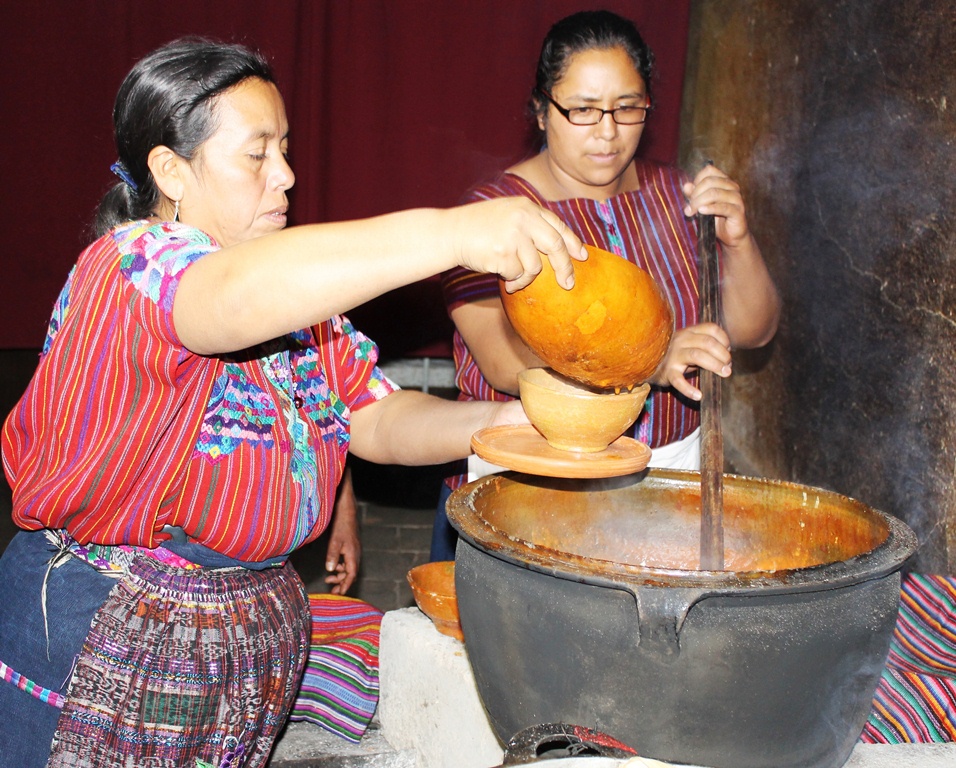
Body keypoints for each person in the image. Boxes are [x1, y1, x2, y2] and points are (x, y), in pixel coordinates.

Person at [0, 38, 585, 768]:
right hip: (112, 638)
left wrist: (508, 422)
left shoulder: (300, 310)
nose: (286, 174)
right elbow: (230, 298)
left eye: (285, 149)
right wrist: (453, 232)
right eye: (256, 154)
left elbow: (375, 418)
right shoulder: (133, 266)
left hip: (239, 645)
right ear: (171, 170)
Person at [430, 10, 780, 560]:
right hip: (536, 485)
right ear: (542, 110)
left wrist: (736, 239)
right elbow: (504, 360)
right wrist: (648, 363)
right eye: (583, 110)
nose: (608, 131)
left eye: (627, 107)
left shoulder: (679, 195)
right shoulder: (492, 215)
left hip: (668, 476)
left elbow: (753, 331)